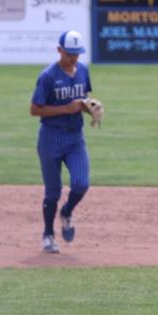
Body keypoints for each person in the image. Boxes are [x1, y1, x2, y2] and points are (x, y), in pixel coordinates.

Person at [30, 30, 98, 254]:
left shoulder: (83, 71)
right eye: (69, 53)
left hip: (75, 138)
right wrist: (65, 109)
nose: (74, 58)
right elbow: (34, 109)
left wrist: (90, 109)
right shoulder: (48, 76)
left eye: (77, 53)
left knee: (81, 183)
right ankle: (48, 234)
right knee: (53, 192)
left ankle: (67, 212)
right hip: (50, 137)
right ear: (59, 50)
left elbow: (82, 99)